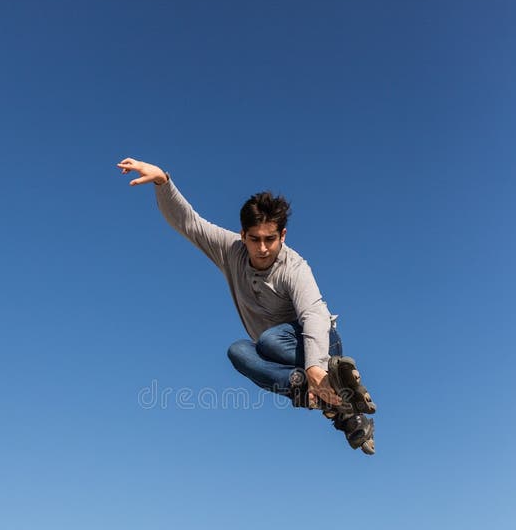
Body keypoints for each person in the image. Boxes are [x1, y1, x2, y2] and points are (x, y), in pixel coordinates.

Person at [117, 157, 377, 454]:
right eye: (254, 240)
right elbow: (189, 223)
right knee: (238, 351)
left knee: (268, 340)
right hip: (288, 361)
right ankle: (318, 397)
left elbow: (314, 314)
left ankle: (329, 382)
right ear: (243, 235)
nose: (263, 249)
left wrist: (316, 366)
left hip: (322, 346)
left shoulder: (294, 268)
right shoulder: (231, 251)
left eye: (270, 239)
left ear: (283, 236)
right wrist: (163, 182)